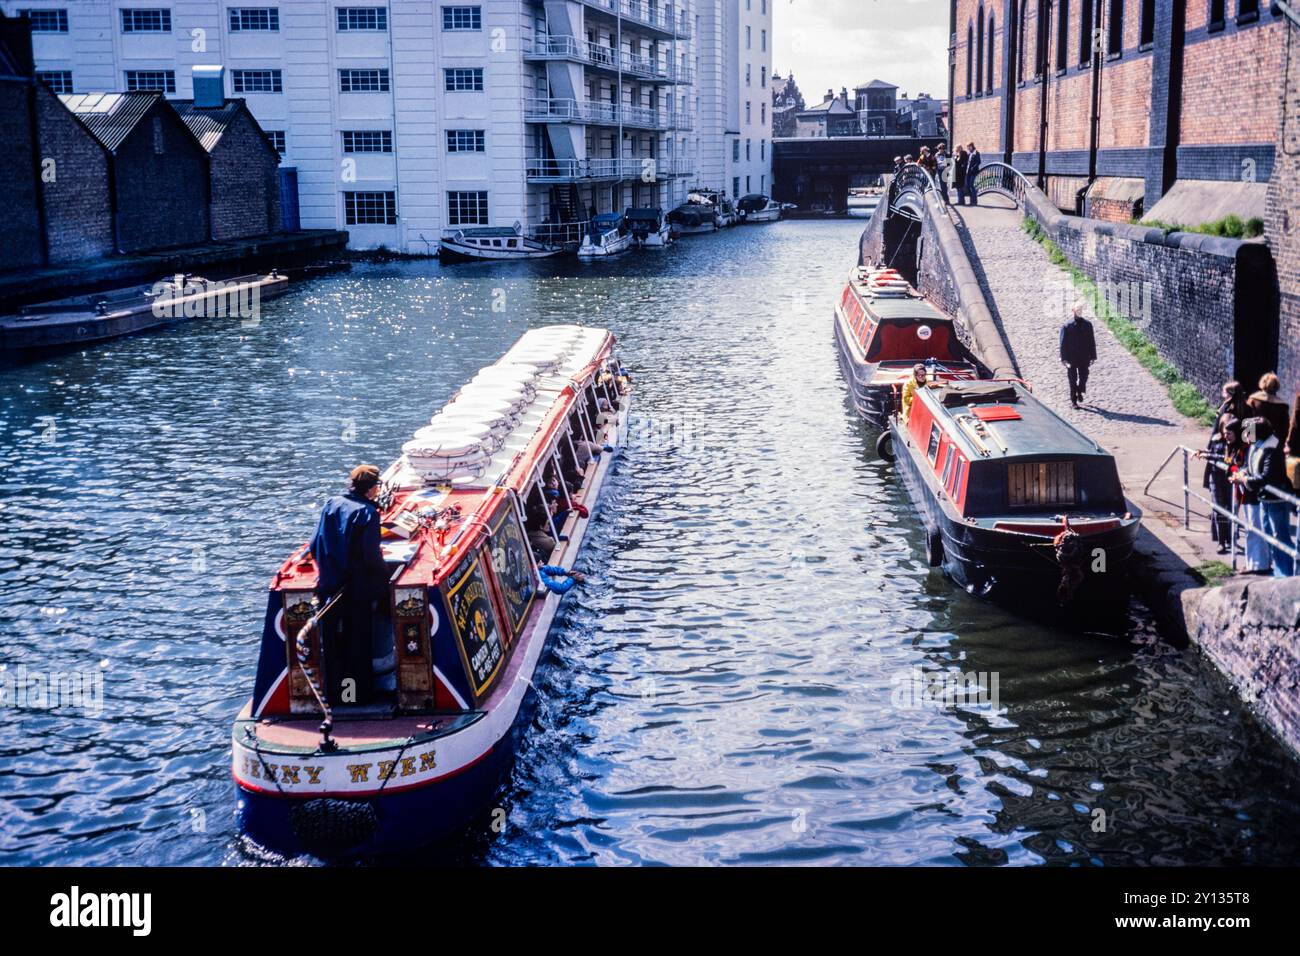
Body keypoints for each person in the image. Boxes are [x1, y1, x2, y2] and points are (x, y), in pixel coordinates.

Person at [309, 464, 391, 705]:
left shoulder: (331, 504)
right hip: (356, 590)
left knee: (333, 643)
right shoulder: (367, 514)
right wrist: (384, 579)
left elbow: (315, 543)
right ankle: (357, 697)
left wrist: (327, 571)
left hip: (328, 586)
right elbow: (370, 556)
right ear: (372, 489)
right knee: (358, 641)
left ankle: (336, 696)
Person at [1232, 417, 1295, 577]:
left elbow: (1267, 476)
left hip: (1276, 499)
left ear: (1258, 432)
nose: (1245, 435)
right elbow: (1249, 465)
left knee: (1280, 538)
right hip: (1264, 498)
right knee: (1269, 536)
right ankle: (1280, 572)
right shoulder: (1257, 445)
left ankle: (1286, 575)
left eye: (1248, 431)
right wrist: (1243, 472)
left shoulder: (1272, 448)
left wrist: (1243, 480)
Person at [1198, 415, 1241, 554]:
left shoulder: (1238, 443)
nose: (1226, 433)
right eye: (1225, 429)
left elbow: (1228, 459)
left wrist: (1209, 455)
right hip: (1216, 477)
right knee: (1218, 508)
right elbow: (1211, 452)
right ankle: (1221, 541)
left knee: (1229, 509)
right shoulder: (1216, 440)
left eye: (1229, 431)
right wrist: (1205, 453)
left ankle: (1229, 538)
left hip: (1230, 479)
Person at [1058, 302, 1097, 408]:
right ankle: (1073, 400)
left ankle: (1080, 390)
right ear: (1073, 311)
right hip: (1071, 357)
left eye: (1080, 310)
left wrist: (1093, 356)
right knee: (1072, 378)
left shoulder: (1088, 325)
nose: (1079, 312)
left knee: (1084, 376)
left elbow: (1091, 341)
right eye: (1077, 310)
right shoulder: (1067, 326)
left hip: (1084, 356)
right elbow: (1062, 343)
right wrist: (1063, 358)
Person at [1246, 372, 1291, 441]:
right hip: (1275, 441)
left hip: (1255, 439)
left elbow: (1248, 419)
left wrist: (1250, 439)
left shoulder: (1253, 400)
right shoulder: (1282, 406)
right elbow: (1285, 429)